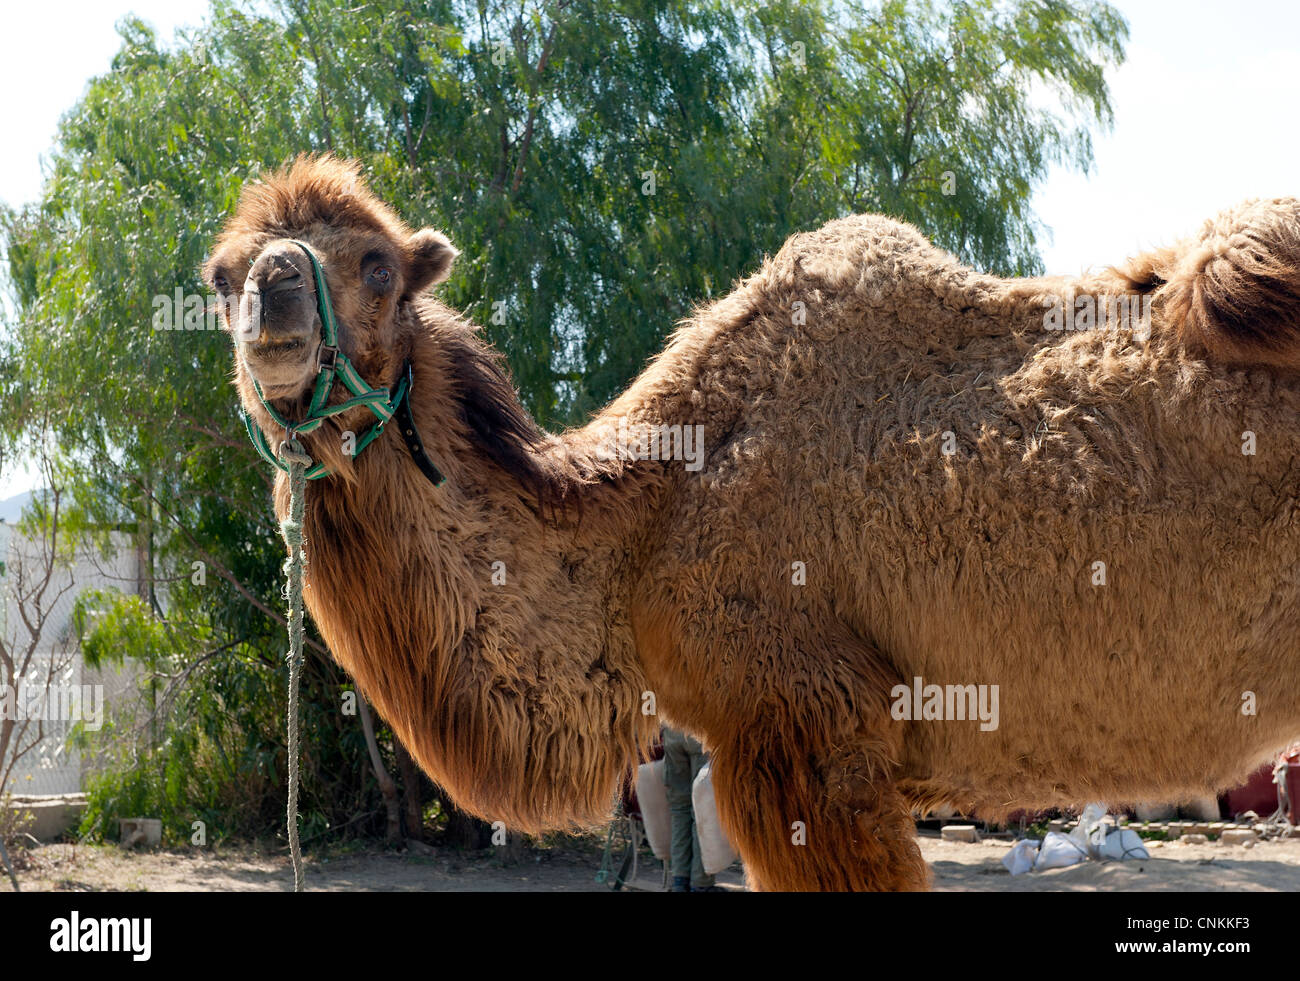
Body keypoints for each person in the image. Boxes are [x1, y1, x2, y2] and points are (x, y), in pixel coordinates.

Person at [661, 726, 721, 892]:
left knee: (679, 811)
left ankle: (680, 879)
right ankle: (701, 882)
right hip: (700, 731)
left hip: (672, 733)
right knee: (702, 813)